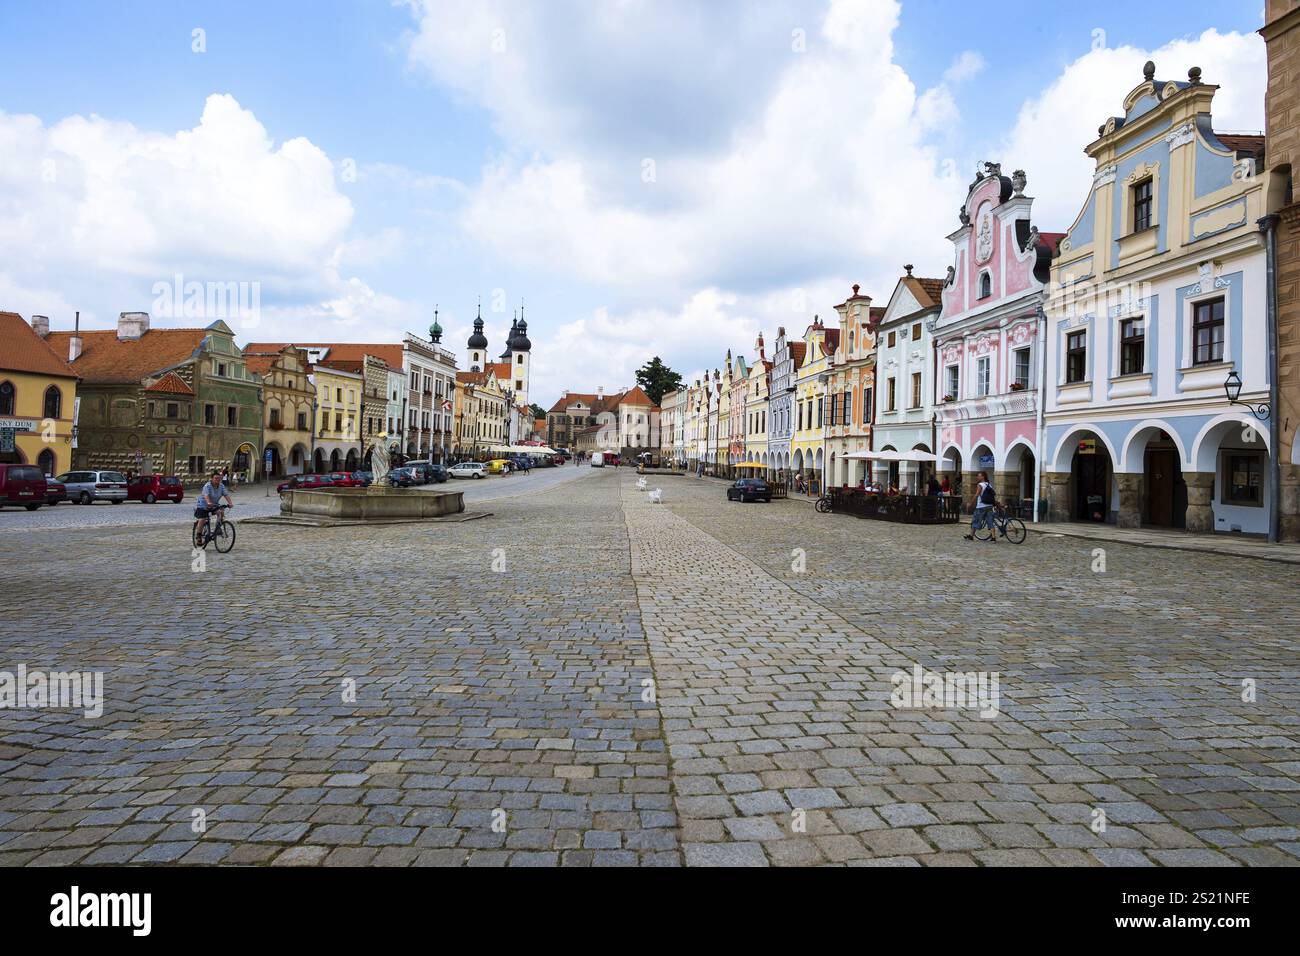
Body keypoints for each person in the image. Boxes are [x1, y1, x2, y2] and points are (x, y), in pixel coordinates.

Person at [193, 469, 233, 543]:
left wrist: (230, 503)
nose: (218, 480)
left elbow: (226, 495)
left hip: (213, 504)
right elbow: (206, 495)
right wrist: (208, 502)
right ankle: (199, 535)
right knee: (203, 518)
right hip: (203, 505)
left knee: (221, 511)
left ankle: (218, 528)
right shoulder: (207, 486)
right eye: (216, 478)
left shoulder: (221, 486)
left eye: (219, 478)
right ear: (212, 479)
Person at [964, 470, 998, 542]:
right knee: (990, 521)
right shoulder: (989, 484)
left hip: (981, 506)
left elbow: (977, 495)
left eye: (979, 476)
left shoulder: (980, 485)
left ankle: (971, 536)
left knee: (975, 520)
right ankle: (993, 537)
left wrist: (970, 503)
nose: (977, 477)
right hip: (989, 506)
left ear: (983, 477)